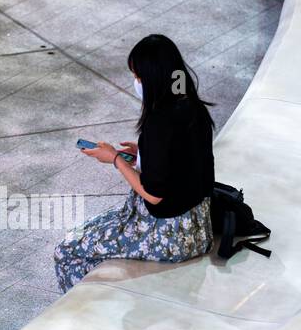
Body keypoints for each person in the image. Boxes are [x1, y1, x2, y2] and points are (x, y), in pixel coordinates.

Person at [54, 34, 214, 293]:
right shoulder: (193, 108)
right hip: (197, 226)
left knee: (67, 250)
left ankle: (83, 321)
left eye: (138, 76)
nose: (136, 82)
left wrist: (115, 159)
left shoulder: (159, 122)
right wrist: (144, 153)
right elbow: (183, 158)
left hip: (168, 235)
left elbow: (153, 194)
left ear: (153, 78)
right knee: (90, 232)